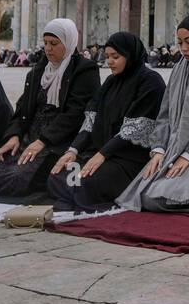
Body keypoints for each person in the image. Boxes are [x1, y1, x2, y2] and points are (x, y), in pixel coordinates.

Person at [117, 15, 189, 212]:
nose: (183, 49)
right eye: (180, 43)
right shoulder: (180, 68)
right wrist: (158, 149)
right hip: (173, 147)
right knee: (142, 194)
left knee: (156, 199)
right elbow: (164, 114)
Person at [48, 32, 164, 212]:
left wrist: (102, 154)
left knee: (84, 182)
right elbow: (91, 120)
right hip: (101, 154)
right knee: (58, 174)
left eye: (115, 57)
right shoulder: (111, 81)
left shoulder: (150, 81)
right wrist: (73, 150)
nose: (109, 61)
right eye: (107, 56)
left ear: (130, 55)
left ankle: (74, 195)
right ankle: (72, 194)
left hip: (127, 161)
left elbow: (134, 129)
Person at [0, 18, 99, 198]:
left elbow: (75, 114)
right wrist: (14, 135)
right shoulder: (39, 71)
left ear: (69, 42)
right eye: (45, 43)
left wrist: (43, 141)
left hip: (58, 140)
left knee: (19, 179)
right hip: (31, 136)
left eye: (54, 43)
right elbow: (22, 108)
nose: (48, 48)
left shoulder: (84, 70)